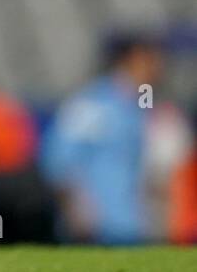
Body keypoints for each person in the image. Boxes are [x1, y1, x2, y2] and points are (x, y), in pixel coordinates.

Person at [42, 31, 191, 244]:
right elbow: (59, 163)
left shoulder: (153, 108)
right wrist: (77, 212)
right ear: (133, 59)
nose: (160, 66)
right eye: (152, 58)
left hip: (141, 228)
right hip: (99, 228)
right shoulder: (92, 105)